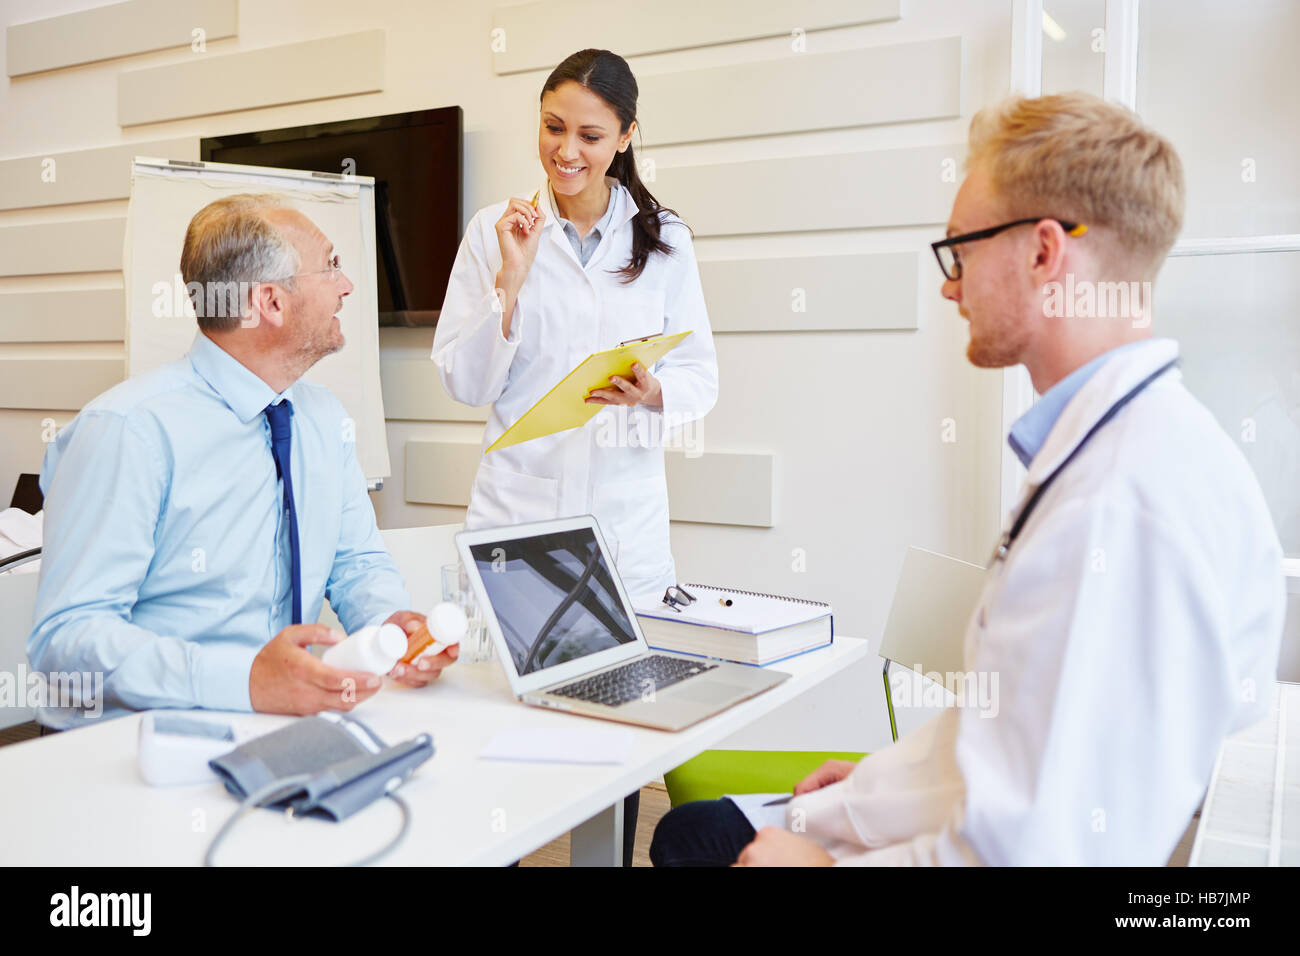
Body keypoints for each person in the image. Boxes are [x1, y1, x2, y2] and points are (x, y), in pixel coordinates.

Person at [650, 92, 1287, 866]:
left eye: (961, 251)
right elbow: (1023, 733)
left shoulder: (1117, 508)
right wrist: (868, 794)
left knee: (694, 844)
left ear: (1044, 253)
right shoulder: (1147, 450)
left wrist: (816, 864)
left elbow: (1045, 851)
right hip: (948, 819)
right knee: (693, 831)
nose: (950, 287)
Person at [432, 49, 718, 866]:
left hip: (624, 521)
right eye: (553, 128)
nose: (567, 151)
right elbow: (464, 377)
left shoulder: (665, 242)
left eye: (590, 135)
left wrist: (652, 393)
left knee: (620, 730)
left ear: (626, 136)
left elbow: (700, 373)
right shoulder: (496, 233)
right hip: (521, 515)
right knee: (508, 728)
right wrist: (510, 286)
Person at [28, 194, 457, 729]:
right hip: (142, 743)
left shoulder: (323, 417)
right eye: (331, 266)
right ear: (271, 303)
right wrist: (244, 680)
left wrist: (393, 630)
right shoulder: (127, 431)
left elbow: (355, 563)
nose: (347, 286)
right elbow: (66, 640)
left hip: (282, 725)